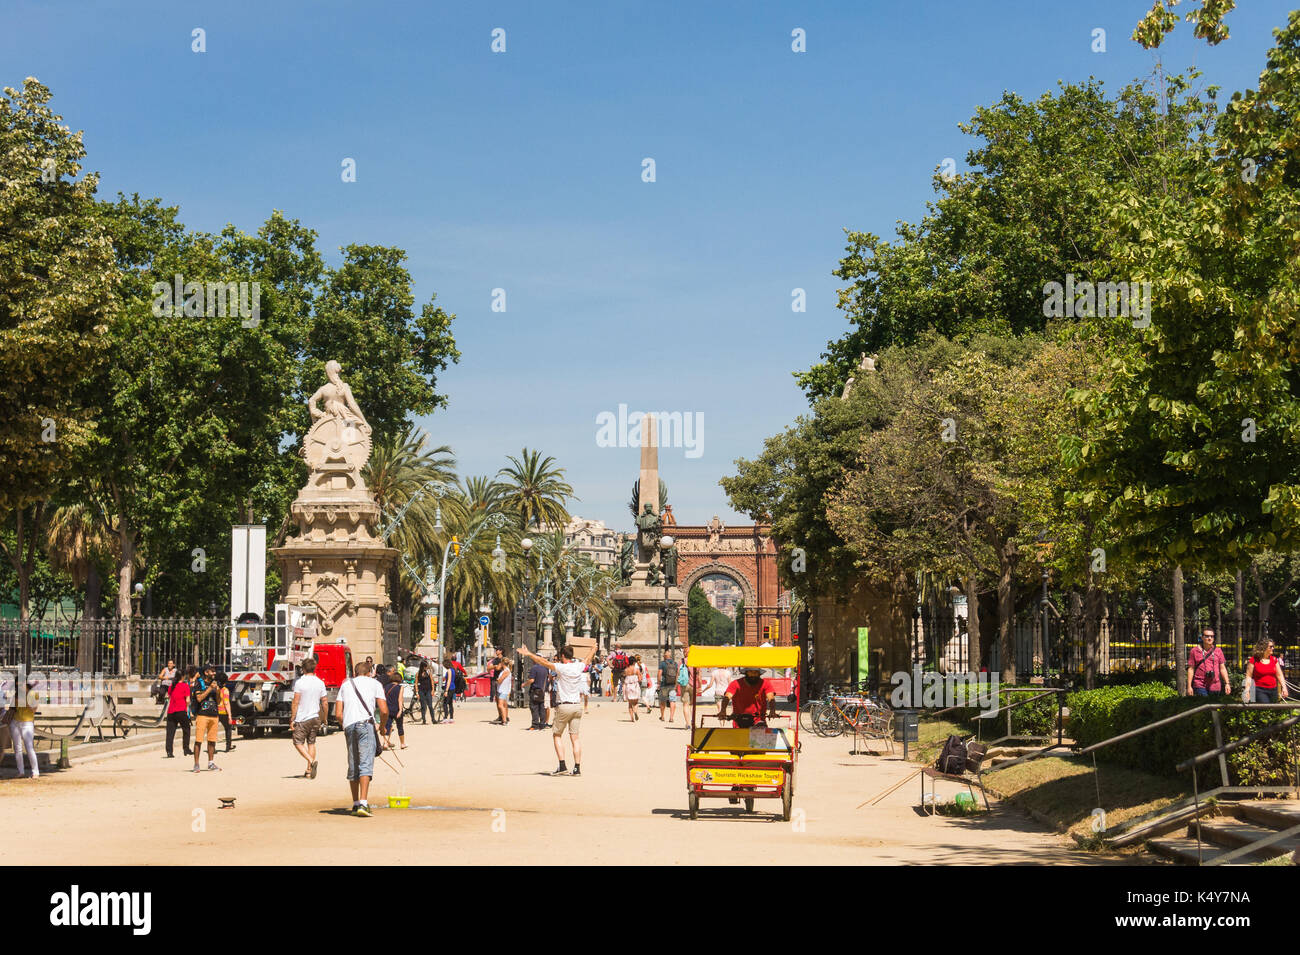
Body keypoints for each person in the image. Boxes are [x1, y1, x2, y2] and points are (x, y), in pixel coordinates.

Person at [517, 642, 596, 775]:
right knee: (575, 738)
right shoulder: (578, 666)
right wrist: (593, 648)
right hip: (577, 705)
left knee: (557, 735)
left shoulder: (561, 667)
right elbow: (588, 659)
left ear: (563, 656)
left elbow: (542, 662)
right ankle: (577, 768)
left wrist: (529, 653)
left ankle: (562, 766)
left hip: (564, 705)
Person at [335, 660, 388, 817]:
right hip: (366, 724)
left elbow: (338, 713)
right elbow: (384, 710)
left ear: (355, 673)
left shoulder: (345, 685)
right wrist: (383, 726)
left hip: (349, 725)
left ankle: (355, 802)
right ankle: (364, 803)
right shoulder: (375, 684)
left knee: (353, 763)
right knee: (365, 762)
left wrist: (346, 724)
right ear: (370, 672)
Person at [290, 657, 328, 778]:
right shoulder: (320, 682)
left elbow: (295, 702)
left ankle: (311, 761)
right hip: (315, 716)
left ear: (303, 669)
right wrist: (325, 717)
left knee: (297, 742)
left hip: (303, 717)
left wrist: (292, 719)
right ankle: (308, 770)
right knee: (311, 743)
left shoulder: (300, 682)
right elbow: (325, 702)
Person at [191, 663, 223, 773]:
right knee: (198, 740)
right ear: (206, 672)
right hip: (202, 715)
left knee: (212, 740)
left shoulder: (215, 684)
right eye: (212, 671)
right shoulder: (199, 684)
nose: (214, 673)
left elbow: (218, 701)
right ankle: (196, 764)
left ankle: (211, 763)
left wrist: (218, 691)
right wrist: (210, 688)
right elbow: (199, 698)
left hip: (214, 715)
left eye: (214, 671)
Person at [8, 677, 39, 778]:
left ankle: (35, 771)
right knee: (17, 748)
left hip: (27, 723)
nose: (19, 686)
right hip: (15, 722)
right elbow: (12, 708)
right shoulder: (16, 694)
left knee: (29, 748)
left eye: (20, 684)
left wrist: (23, 701)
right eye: (17, 685)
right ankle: (20, 771)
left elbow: (34, 709)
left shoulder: (32, 693)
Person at [1186, 629, 1231, 697]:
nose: (1209, 638)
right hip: (1200, 684)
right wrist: (1189, 686)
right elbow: (1191, 669)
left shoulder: (1218, 651)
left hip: (1215, 685)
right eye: (1207, 636)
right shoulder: (1194, 651)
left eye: (1212, 636)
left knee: (1214, 706)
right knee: (1203, 705)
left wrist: (1227, 683)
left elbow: (1222, 668)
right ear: (1202, 638)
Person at [164, 665, 195, 759]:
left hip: (171, 711)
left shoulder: (171, 686)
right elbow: (188, 700)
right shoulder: (185, 686)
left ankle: (169, 751)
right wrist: (187, 709)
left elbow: (168, 697)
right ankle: (186, 748)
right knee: (186, 730)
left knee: (170, 733)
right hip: (181, 710)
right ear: (183, 676)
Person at [1245, 638, 1289, 704]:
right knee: (1265, 708)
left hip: (1273, 690)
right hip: (1259, 690)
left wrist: (1284, 687)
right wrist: (1247, 690)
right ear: (1263, 647)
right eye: (1271, 646)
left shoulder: (1274, 659)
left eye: (1273, 646)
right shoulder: (1253, 660)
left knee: (1274, 711)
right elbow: (1248, 677)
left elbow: (1279, 675)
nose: (1273, 648)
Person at [383, 666, 407, 749]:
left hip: (387, 709)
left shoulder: (386, 687)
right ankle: (402, 743)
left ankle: (385, 743)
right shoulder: (400, 687)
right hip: (396, 709)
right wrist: (400, 710)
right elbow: (400, 699)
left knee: (388, 726)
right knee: (400, 726)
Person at [526, 655, 550, 730]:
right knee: (542, 708)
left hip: (535, 690)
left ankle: (535, 724)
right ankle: (542, 724)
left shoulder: (534, 668)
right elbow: (548, 678)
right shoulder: (546, 668)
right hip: (543, 690)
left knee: (534, 707)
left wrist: (524, 684)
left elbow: (532, 680)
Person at [216, 672, 235, 753]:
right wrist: (230, 715)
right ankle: (228, 746)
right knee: (228, 728)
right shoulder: (225, 690)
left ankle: (212, 747)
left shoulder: (216, 689)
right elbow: (226, 702)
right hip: (223, 712)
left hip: (216, 712)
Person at [658, 651, 680, 721]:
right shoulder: (675, 664)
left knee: (662, 701)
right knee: (672, 701)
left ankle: (662, 716)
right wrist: (676, 685)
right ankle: (671, 717)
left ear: (665, 656)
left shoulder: (662, 663)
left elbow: (659, 674)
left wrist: (658, 683)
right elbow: (677, 674)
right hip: (673, 685)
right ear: (670, 656)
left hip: (664, 685)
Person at [494, 653, 513, 724]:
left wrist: (497, 680)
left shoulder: (506, 671)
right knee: (504, 705)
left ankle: (504, 720)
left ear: (502, 663)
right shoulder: (505, 670)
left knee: (500, 705)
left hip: (503, 690)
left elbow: (500, 680)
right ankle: (504, 718)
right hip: (502, 689)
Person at [623, 655, 642, 721]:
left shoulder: (626, 670)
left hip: (628, 686)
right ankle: (635, 711)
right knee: (636, 702)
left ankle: (632, 718)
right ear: (634, 662)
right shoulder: (636, 670)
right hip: (635, 686)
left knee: (630, 703)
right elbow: (640, 679)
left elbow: (624, 678)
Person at [416, 660, 435, 724]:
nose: (426, 667)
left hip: (428, 690)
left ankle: (433, 719)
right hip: (421, 690)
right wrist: (417, 692)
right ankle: (424, 720)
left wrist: (433, 690)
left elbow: (432, 681)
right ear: (422, 666)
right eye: (425, 666)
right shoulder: (418, 673)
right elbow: (416, 683)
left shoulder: (429, 672)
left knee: (430, 706)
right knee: (423, 706)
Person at [442, 655, 458, 723]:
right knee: (450, 703)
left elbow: (448, 681)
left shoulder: (449, 670)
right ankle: (451, 717)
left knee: (445, 703)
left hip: (449, 688)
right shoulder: (453, 670)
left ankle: (445, 718)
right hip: (453, 687)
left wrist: (446, 691)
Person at [676, 655, 691, 723]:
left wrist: (676, 686)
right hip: (693, 684)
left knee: (685, 704)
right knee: (692, 705)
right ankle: (692, 721)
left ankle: (687, 723)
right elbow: (699, 674)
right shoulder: (695, 661)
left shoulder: (681, 662)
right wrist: (699, 686)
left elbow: (678, 673)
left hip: (684, 684)